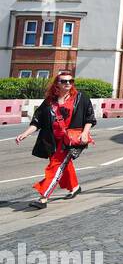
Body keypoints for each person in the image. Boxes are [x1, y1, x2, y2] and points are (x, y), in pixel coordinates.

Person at [14, 70, 96, 208]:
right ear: (57, 84)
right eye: (64, 81)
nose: (68, 83)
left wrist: (85, 133)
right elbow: (37, 121)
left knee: (56, 167)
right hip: (52, 141)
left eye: (71, 81)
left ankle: (43, 197)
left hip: (70, 141)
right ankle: (75, 187)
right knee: (64, 164)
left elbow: (90, 118)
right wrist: (25, 133)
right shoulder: (49, 101)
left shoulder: (81, 98)